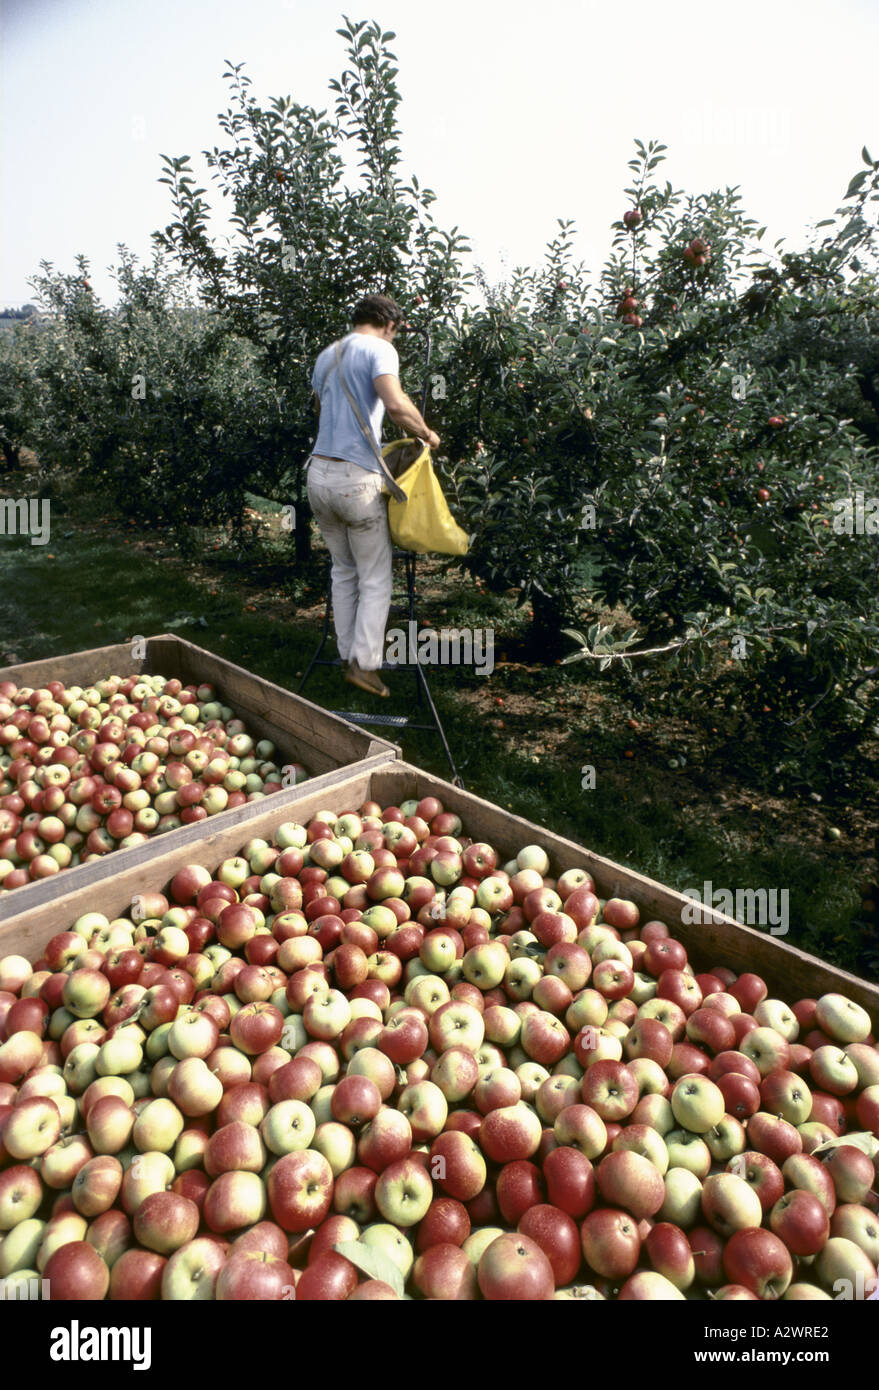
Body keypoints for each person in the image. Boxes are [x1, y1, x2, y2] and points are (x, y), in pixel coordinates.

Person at [306, 293, 441, 697]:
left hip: (318, 475)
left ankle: (348, 655)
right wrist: (428, 434)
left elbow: (320, 407)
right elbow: (396, 404)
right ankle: (365, 664)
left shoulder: (326, 354)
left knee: (343, 570)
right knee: (376, 576)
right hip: (355, 480)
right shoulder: (380, 349)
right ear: (390, 324)